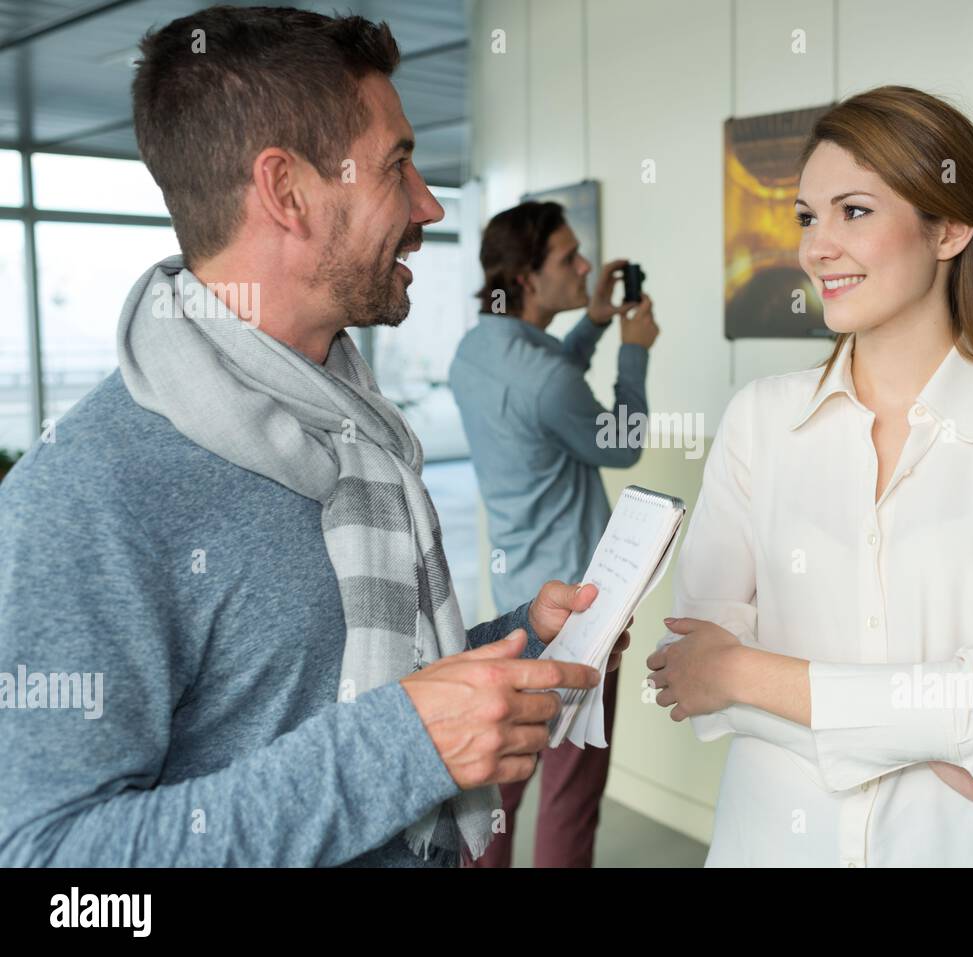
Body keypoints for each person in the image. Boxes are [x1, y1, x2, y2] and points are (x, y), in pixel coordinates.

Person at [0, 5, 631, 868]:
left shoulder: (356, 423)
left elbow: (331, 688)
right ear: (286, 190)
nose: (430, 204)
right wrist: (403, 746)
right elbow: (52, 864)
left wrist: (515, 638)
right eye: (397, 167)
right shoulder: (86, 493)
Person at [646, 86, 973, 867]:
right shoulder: (760, 420)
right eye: (806, 216)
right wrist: (938, 746)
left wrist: (743, 671)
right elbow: (693, 677)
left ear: (951, 225)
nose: (815, 247)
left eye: (853, 212)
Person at [449, 201, 659, 867]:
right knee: (572, 793)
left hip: (515, 604)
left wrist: (593, 326)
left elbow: (548, 384)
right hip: (580, 615)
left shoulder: (476, 350)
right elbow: (620, 444)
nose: (587, 265)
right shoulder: (549, 380)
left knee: (496, 789)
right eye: (569, 257)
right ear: (530, 280)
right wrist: (632, 352)